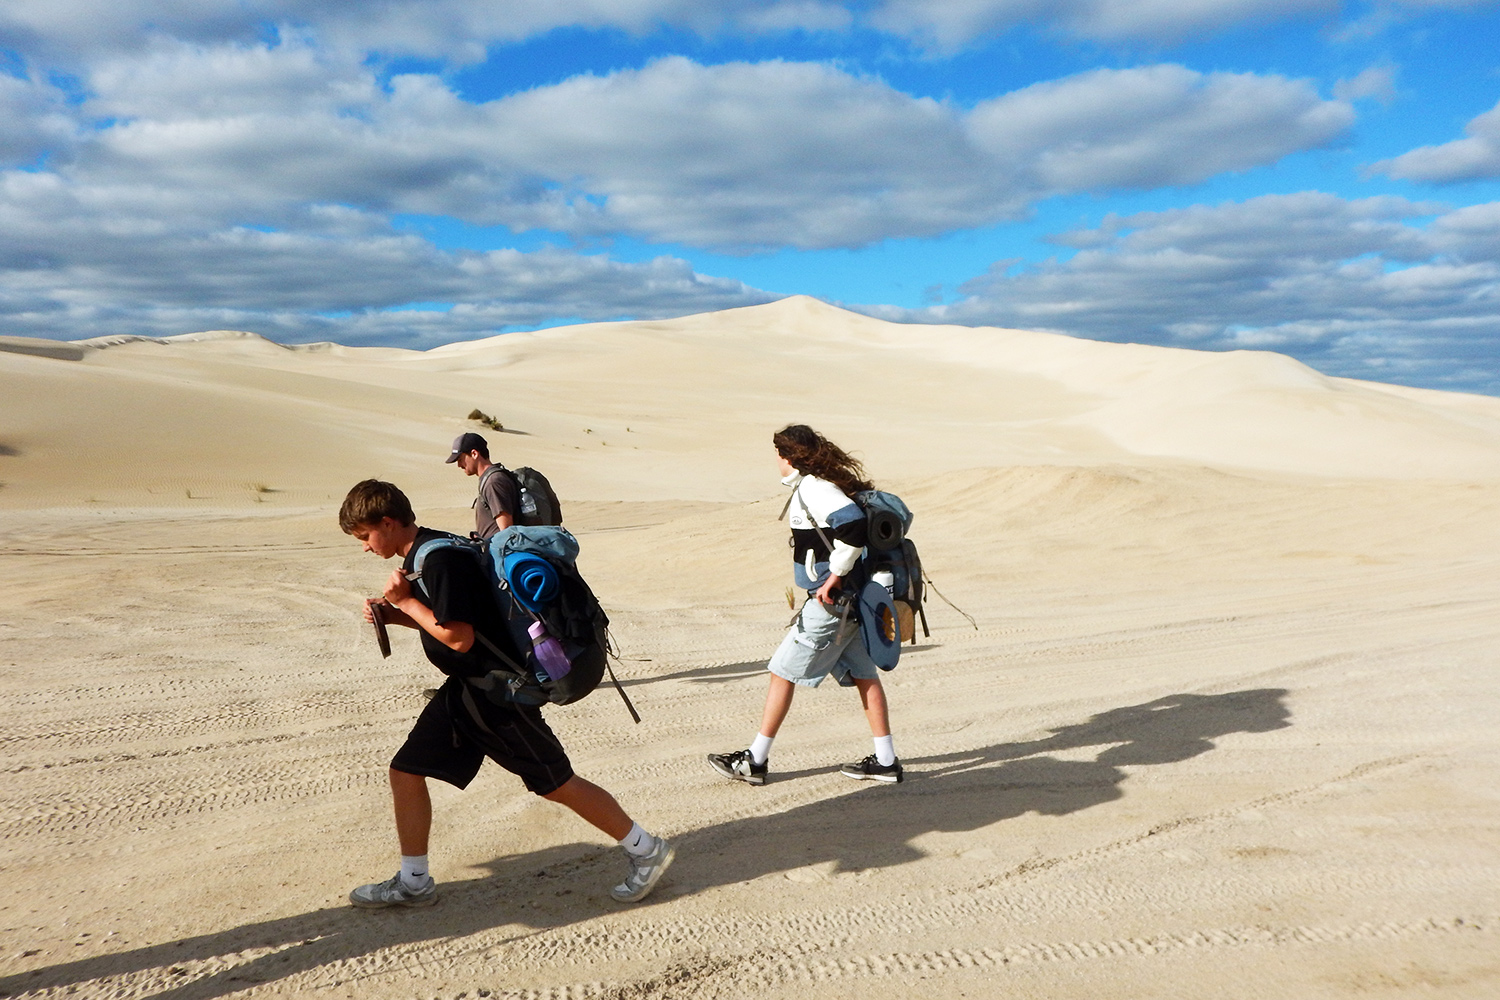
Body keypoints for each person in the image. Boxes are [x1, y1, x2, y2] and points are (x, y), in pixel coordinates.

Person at [339, 479, 673, 908]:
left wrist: (404, 604)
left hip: (496, 695)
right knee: (406, 770)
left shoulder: (437, 561)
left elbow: (458, 637)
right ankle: (414, 880)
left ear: (387, 522)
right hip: (468, 689)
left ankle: (647, 850)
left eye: (365, 537)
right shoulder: (437, 546)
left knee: (556, 783)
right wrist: (393, 613)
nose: (365, 547)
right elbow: (452, 622)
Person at [707, 424, 903, 786]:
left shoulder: (816, 488)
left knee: (781, 671)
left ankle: (755, 761)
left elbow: (855, 527)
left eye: (778, 455)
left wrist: (834, 576)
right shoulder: (819, 485)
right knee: (865, 676)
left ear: (789, 457)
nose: (776, 462)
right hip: (853, 603)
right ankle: (886, 761)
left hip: (832, 605)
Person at [446, 432, 518, 540]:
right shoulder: (490, 479)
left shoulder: (493, 482)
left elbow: (507, 532)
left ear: (474, 454)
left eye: (460, 459)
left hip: (500, 553)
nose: (459, 465)